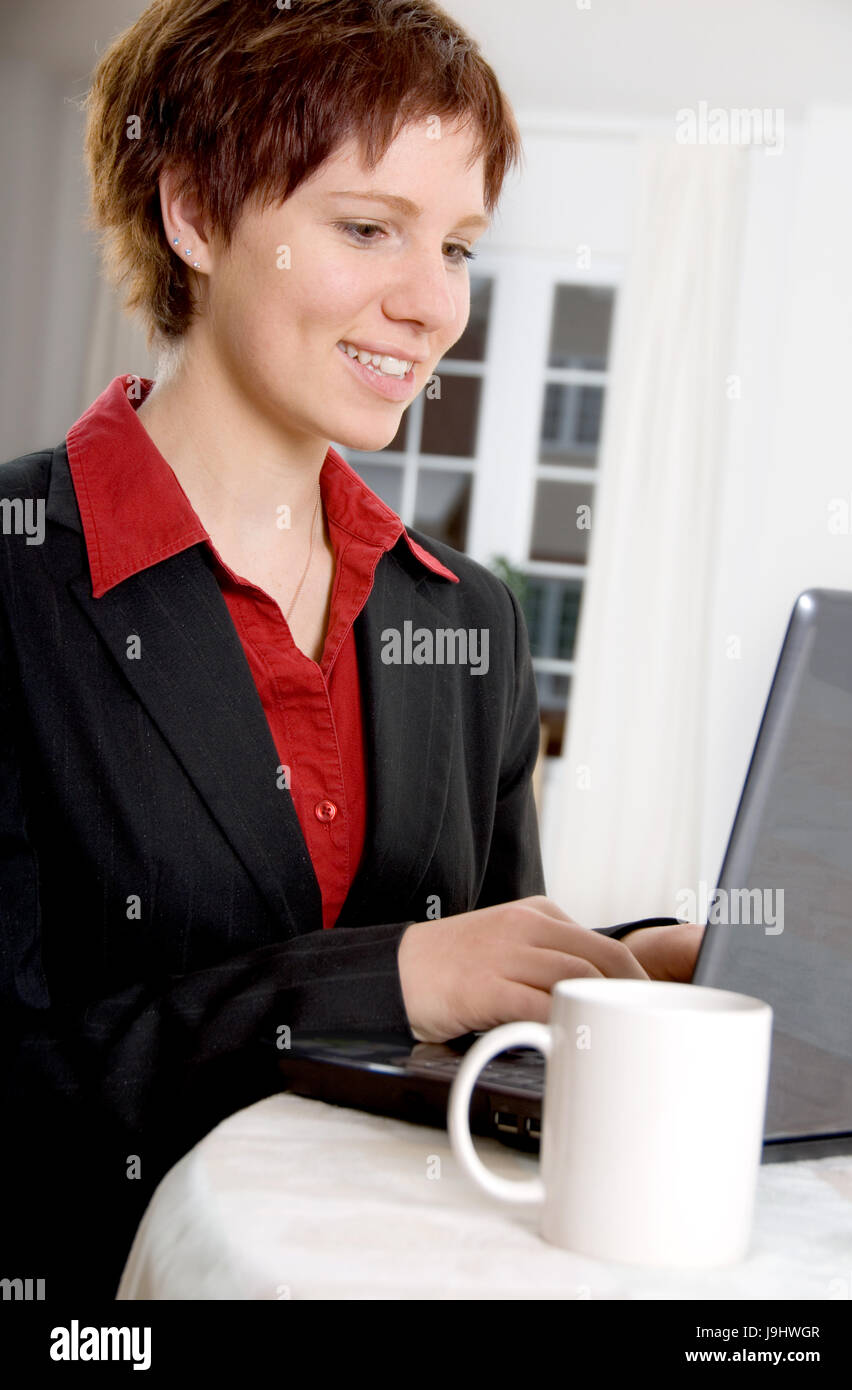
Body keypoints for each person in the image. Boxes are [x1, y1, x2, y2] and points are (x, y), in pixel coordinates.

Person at [0, 0, 702, 1300]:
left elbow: (470, 1034)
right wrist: (390, 974)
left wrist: (627, 976)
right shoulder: (16, 576)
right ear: (197, 213)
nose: (433, 304)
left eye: (459, 245)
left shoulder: (466, 621)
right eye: (369, 227)